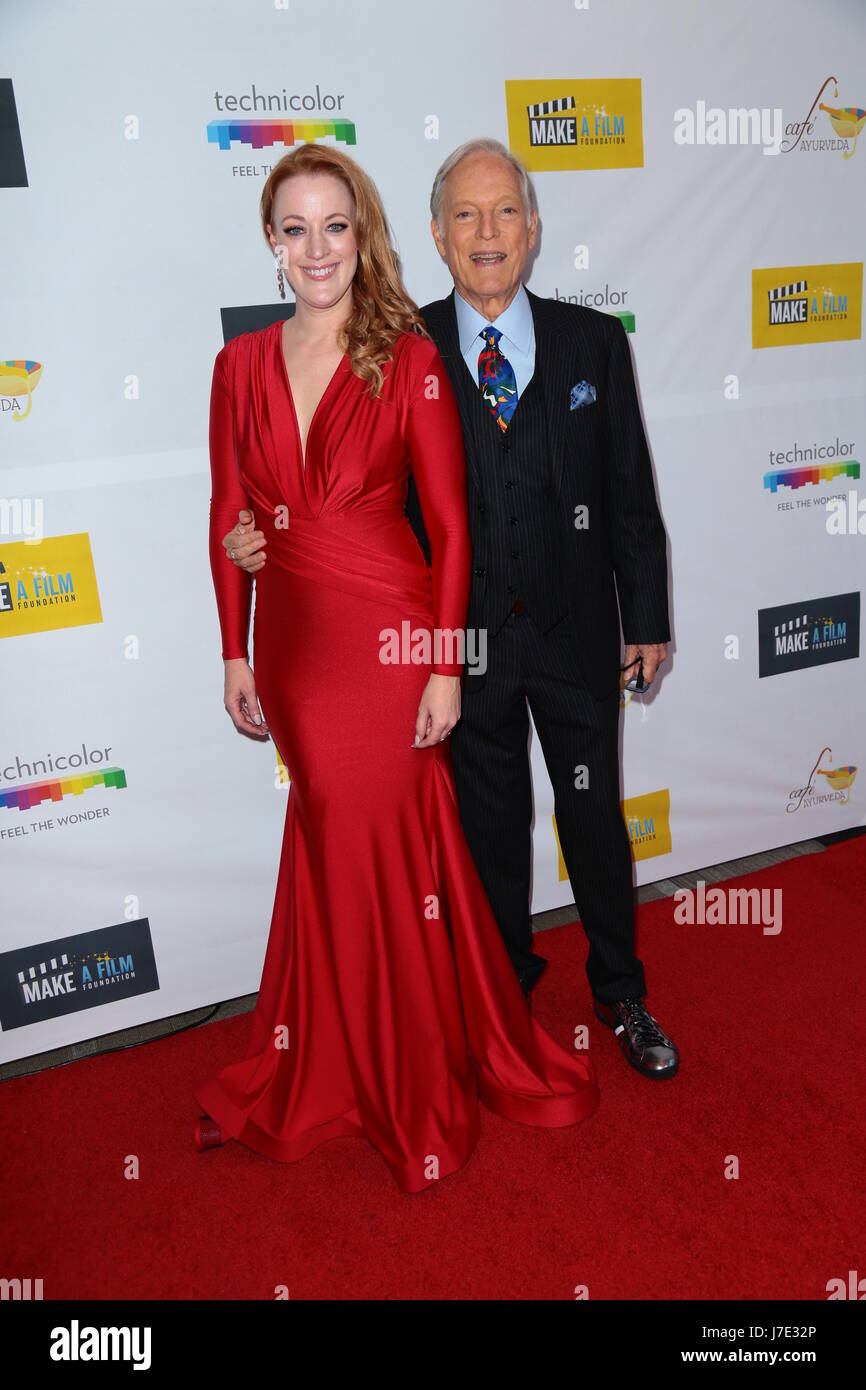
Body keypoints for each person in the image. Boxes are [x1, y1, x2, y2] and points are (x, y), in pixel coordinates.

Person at [223, 138, 680, 1081]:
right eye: (465, 216)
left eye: (505, 211)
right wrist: (263, 538)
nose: (487, 233)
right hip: (458, 646)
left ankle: (621, 993)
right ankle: (498, 1000)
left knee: (593, 821)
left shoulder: (596, 342)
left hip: (576, 635)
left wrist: (648, 620)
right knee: (487, 832)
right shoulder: (403, 344)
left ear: (534, 225)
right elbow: (355, 497)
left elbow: (630, 494)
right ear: (435, 234)